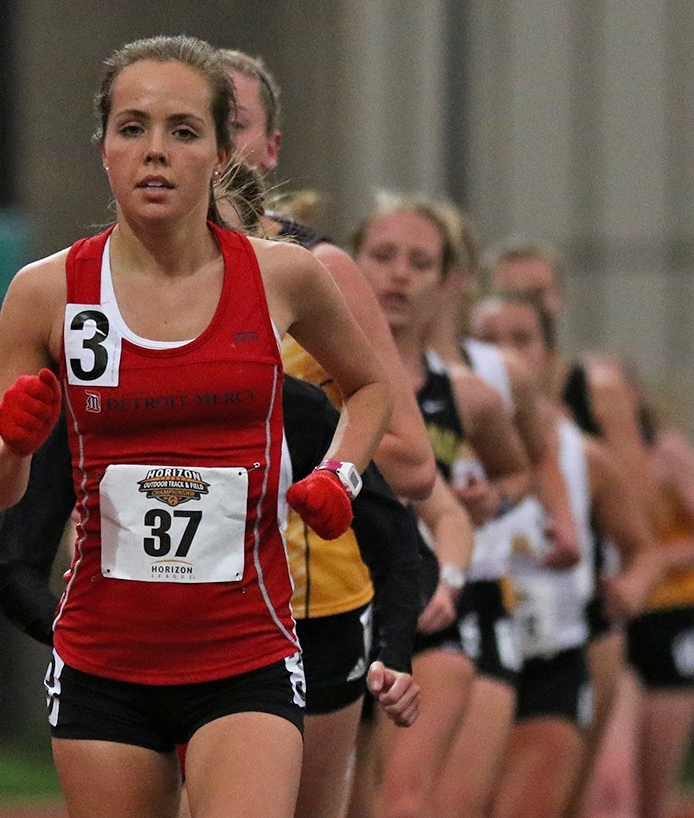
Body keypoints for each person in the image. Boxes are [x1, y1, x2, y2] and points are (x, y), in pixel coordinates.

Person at [0, 35, 411, 818]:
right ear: (102, 148)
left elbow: (371, 385)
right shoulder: (47, 292)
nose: (155, 153)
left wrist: (339, 471)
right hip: (106, 658)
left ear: (218, 153)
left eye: (182, 130)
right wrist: (16, 441)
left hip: (246, 653)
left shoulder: (283, 276)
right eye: (131, 128)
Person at [218, 50, 449, 818]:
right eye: (190, 126)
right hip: (174, 599)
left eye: (233, 124)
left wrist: (317, 429)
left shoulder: (317, 269)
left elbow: (413, 462)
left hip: (305, 605)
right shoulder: (121, 277)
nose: (210, 145)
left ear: (270, 149)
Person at [349, 191, 538, 818]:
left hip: (429, 605)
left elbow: (519, 471)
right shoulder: (307, 376)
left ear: (446, 283)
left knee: (407, 803)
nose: (399, 273)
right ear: (348, 264)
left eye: (420, 262)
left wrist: (494, 497)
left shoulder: (469, 396)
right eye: (382, 255)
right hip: (323, 601)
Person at [470, 291, 661, 818]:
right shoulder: (442, 439)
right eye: (489, 341)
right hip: (464, 656)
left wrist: (632, 586)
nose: (506, 355)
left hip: (550, 657)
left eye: (522, 339)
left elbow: (642, 548)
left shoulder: (586, 457)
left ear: (551, 360)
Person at [582, 395, 694, 818]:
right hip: (611, 621)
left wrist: (653, 558)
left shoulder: (669, 454)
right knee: (611, 788)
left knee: (652, 792)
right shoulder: (581, 453)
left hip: (671, 619)